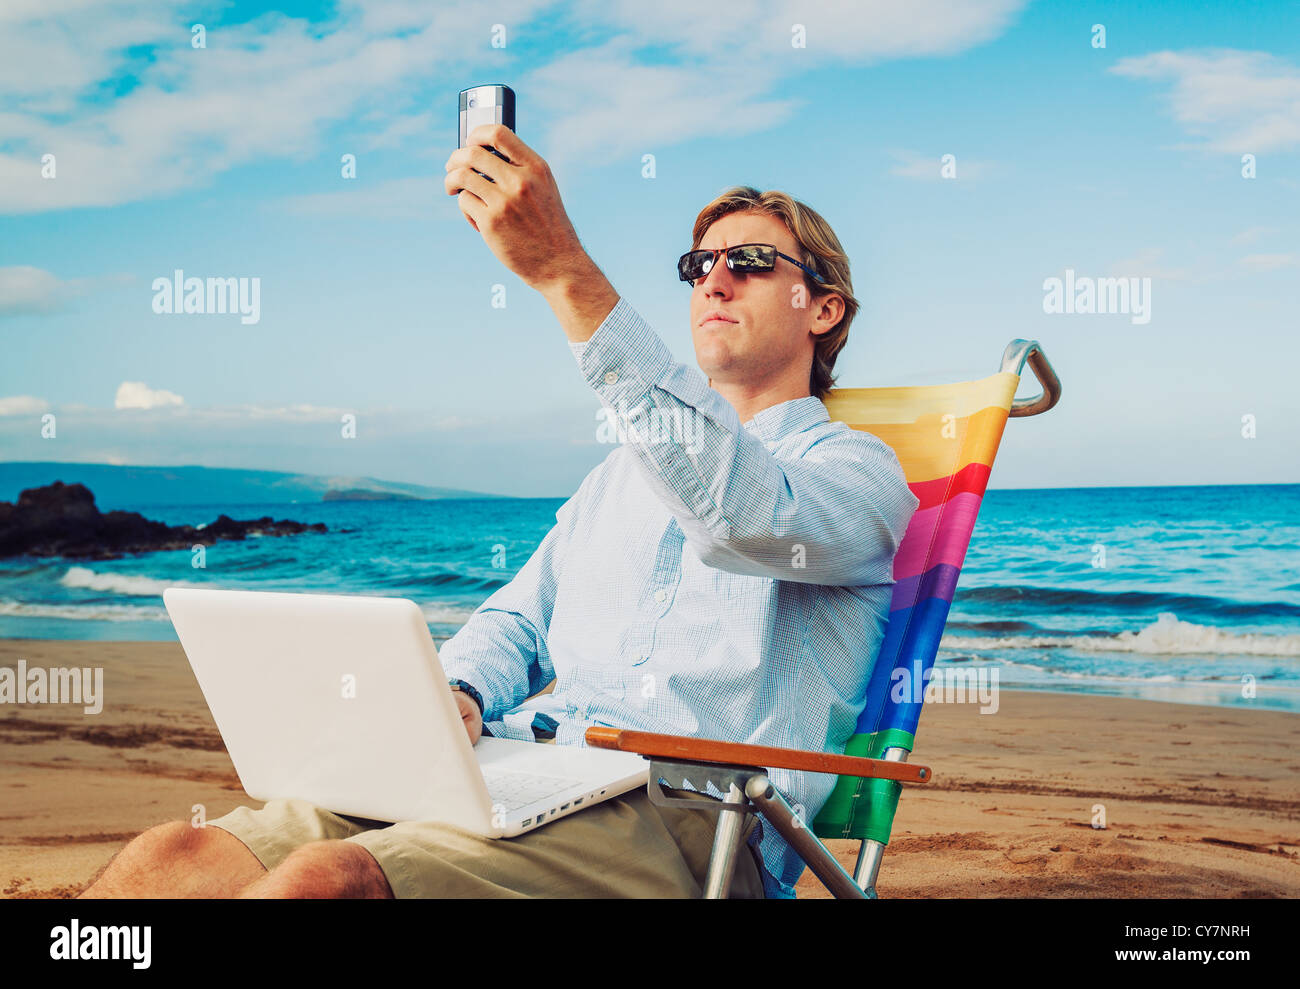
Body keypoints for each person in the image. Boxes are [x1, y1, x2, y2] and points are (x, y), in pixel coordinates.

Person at [79, 125, 917, 899]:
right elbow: (521, 616)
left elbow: (741, 517)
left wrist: (565, 272)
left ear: (826, 307)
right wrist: (460, 689)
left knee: (327, 881)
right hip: (522, 762)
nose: (715, 278)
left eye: (752, 261)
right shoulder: (621, 476)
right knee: (173, 856)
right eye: (699, 266)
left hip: (692, 821)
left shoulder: (859, 476)